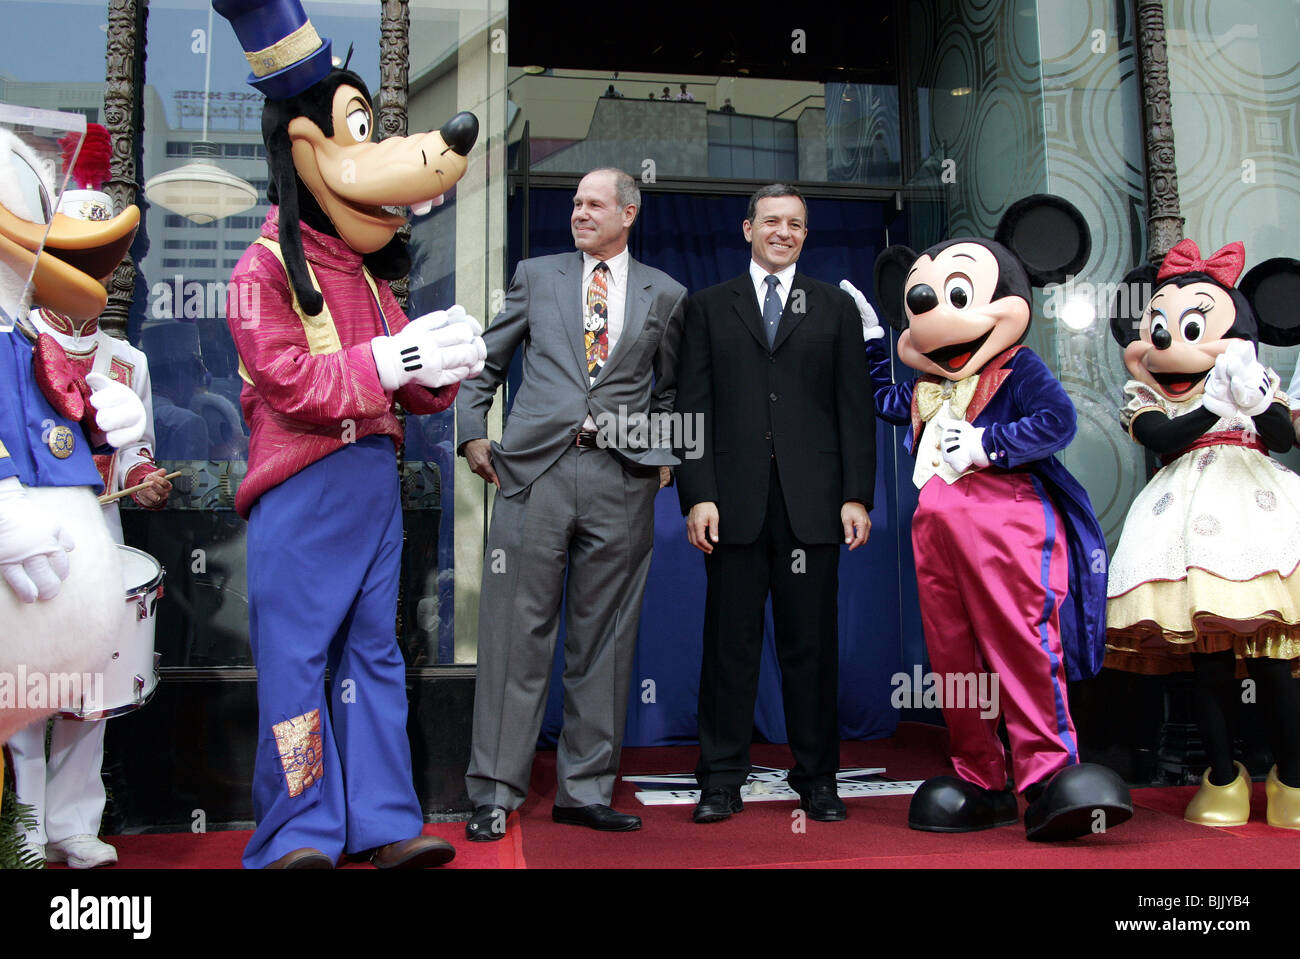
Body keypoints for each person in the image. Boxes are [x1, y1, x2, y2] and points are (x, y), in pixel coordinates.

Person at [457, 167, 686, 841]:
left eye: (594, 204)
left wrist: (662, 453)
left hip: (622, 480)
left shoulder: (667, 294)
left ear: (629, 213)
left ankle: (584, 790)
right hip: (533, 473)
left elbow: (671, 392)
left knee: (607, 641)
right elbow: (485, 363)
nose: (579, 213)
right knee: (513, 635)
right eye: (575, 203)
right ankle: (495, 790)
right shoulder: (536, 275)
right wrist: (474, 432)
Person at [674, 183, 875, 824]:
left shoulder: (836, 310)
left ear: (805, 235)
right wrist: (697, 493)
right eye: (771, 221)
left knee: (811, 648)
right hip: (731, 506)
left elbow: (854, 410)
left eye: (795, 224)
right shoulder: (707, 308)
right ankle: (721, 780)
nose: (782, 231)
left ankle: (817, 779)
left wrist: (856, 495)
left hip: (813, 505)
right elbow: (690, 410)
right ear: (748, 229)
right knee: (728, 647)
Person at [8, 189, 173, 870]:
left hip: (99, 531)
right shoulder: (11, 341)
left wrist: (150, 476)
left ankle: (74, 825)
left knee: (87, 691)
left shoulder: (127, 361)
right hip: (27, 533)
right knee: (24, 683)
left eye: (104, 258)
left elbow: (138, 453)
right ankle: (20, 826)